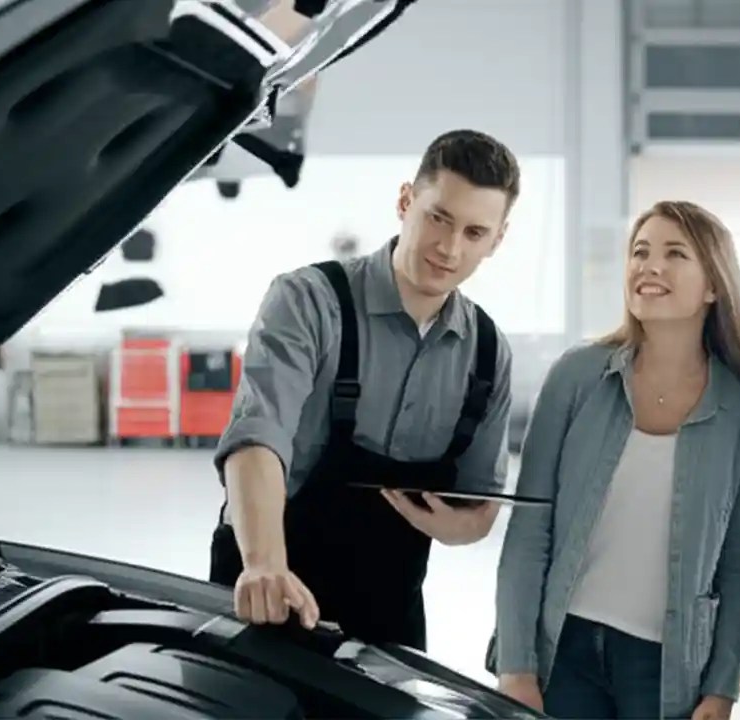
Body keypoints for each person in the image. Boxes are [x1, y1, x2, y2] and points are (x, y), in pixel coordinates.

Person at [207, 129, 519, 652]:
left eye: (474, 232)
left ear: (497, 240)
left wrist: (450, 526)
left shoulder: (488, 354)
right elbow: (258, 437)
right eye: (438, 218)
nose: (449, 248)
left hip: (389, 614)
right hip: (268, 586)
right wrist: (264, 563)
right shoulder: (308, 301)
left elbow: (480, 506)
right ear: (406, 201)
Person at [494, 200, 740, 720]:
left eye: (675, 254)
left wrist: (722, 688)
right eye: (640, 252)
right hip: (563, 653)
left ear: (714, 286)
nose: (650, 266)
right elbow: (529, 528)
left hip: (667, 668)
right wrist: (516, 666)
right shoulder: (577, 376)